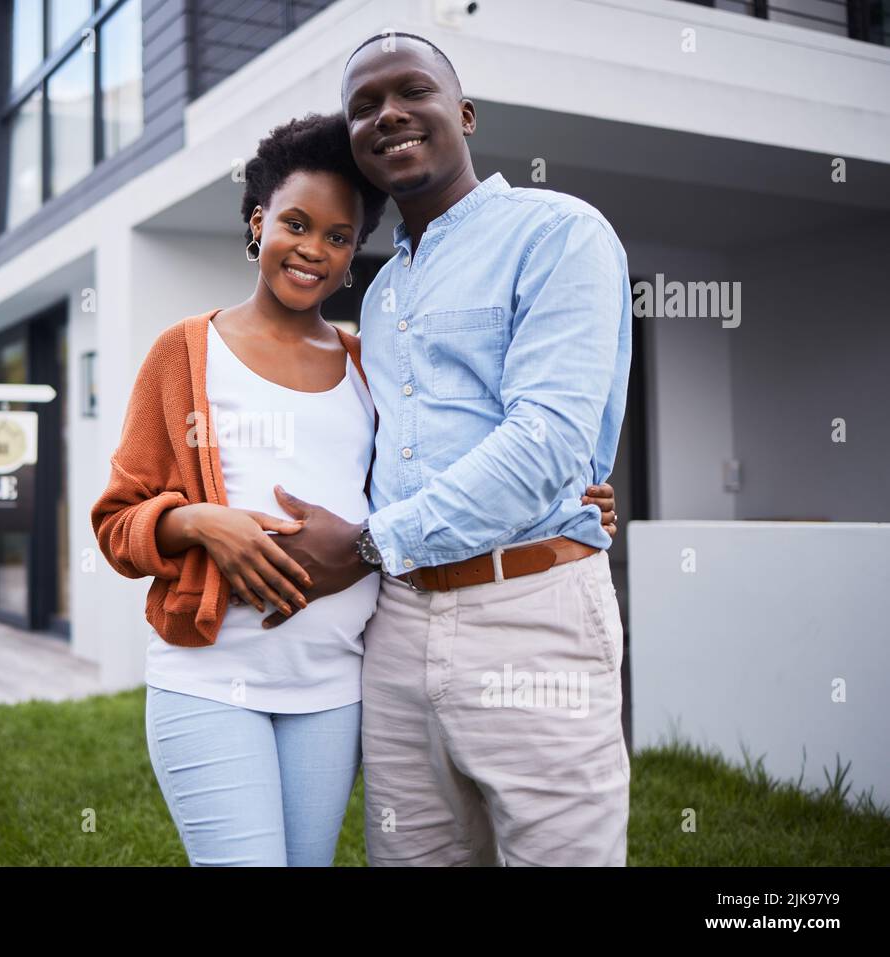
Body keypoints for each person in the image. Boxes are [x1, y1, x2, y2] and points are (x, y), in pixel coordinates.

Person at [91, 112, 618, 866]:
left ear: (353, 256)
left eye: (338, 238)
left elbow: (426, 469)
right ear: (256, 222)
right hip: (212, 678)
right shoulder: (185, 352)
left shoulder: (367, 362)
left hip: (336, 687)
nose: (312, 250)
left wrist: (573, 498)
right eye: (295, 224)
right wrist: (202, 522)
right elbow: (118, 520)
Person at [255, 31, 634, 866]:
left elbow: (546, 443)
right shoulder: (382, 290)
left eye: (410, 91)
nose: (387, 113)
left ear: (462, 113)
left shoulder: (559, 232)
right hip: (395, 630)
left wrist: (363, 544)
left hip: (529, 610)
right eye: (363, 106)